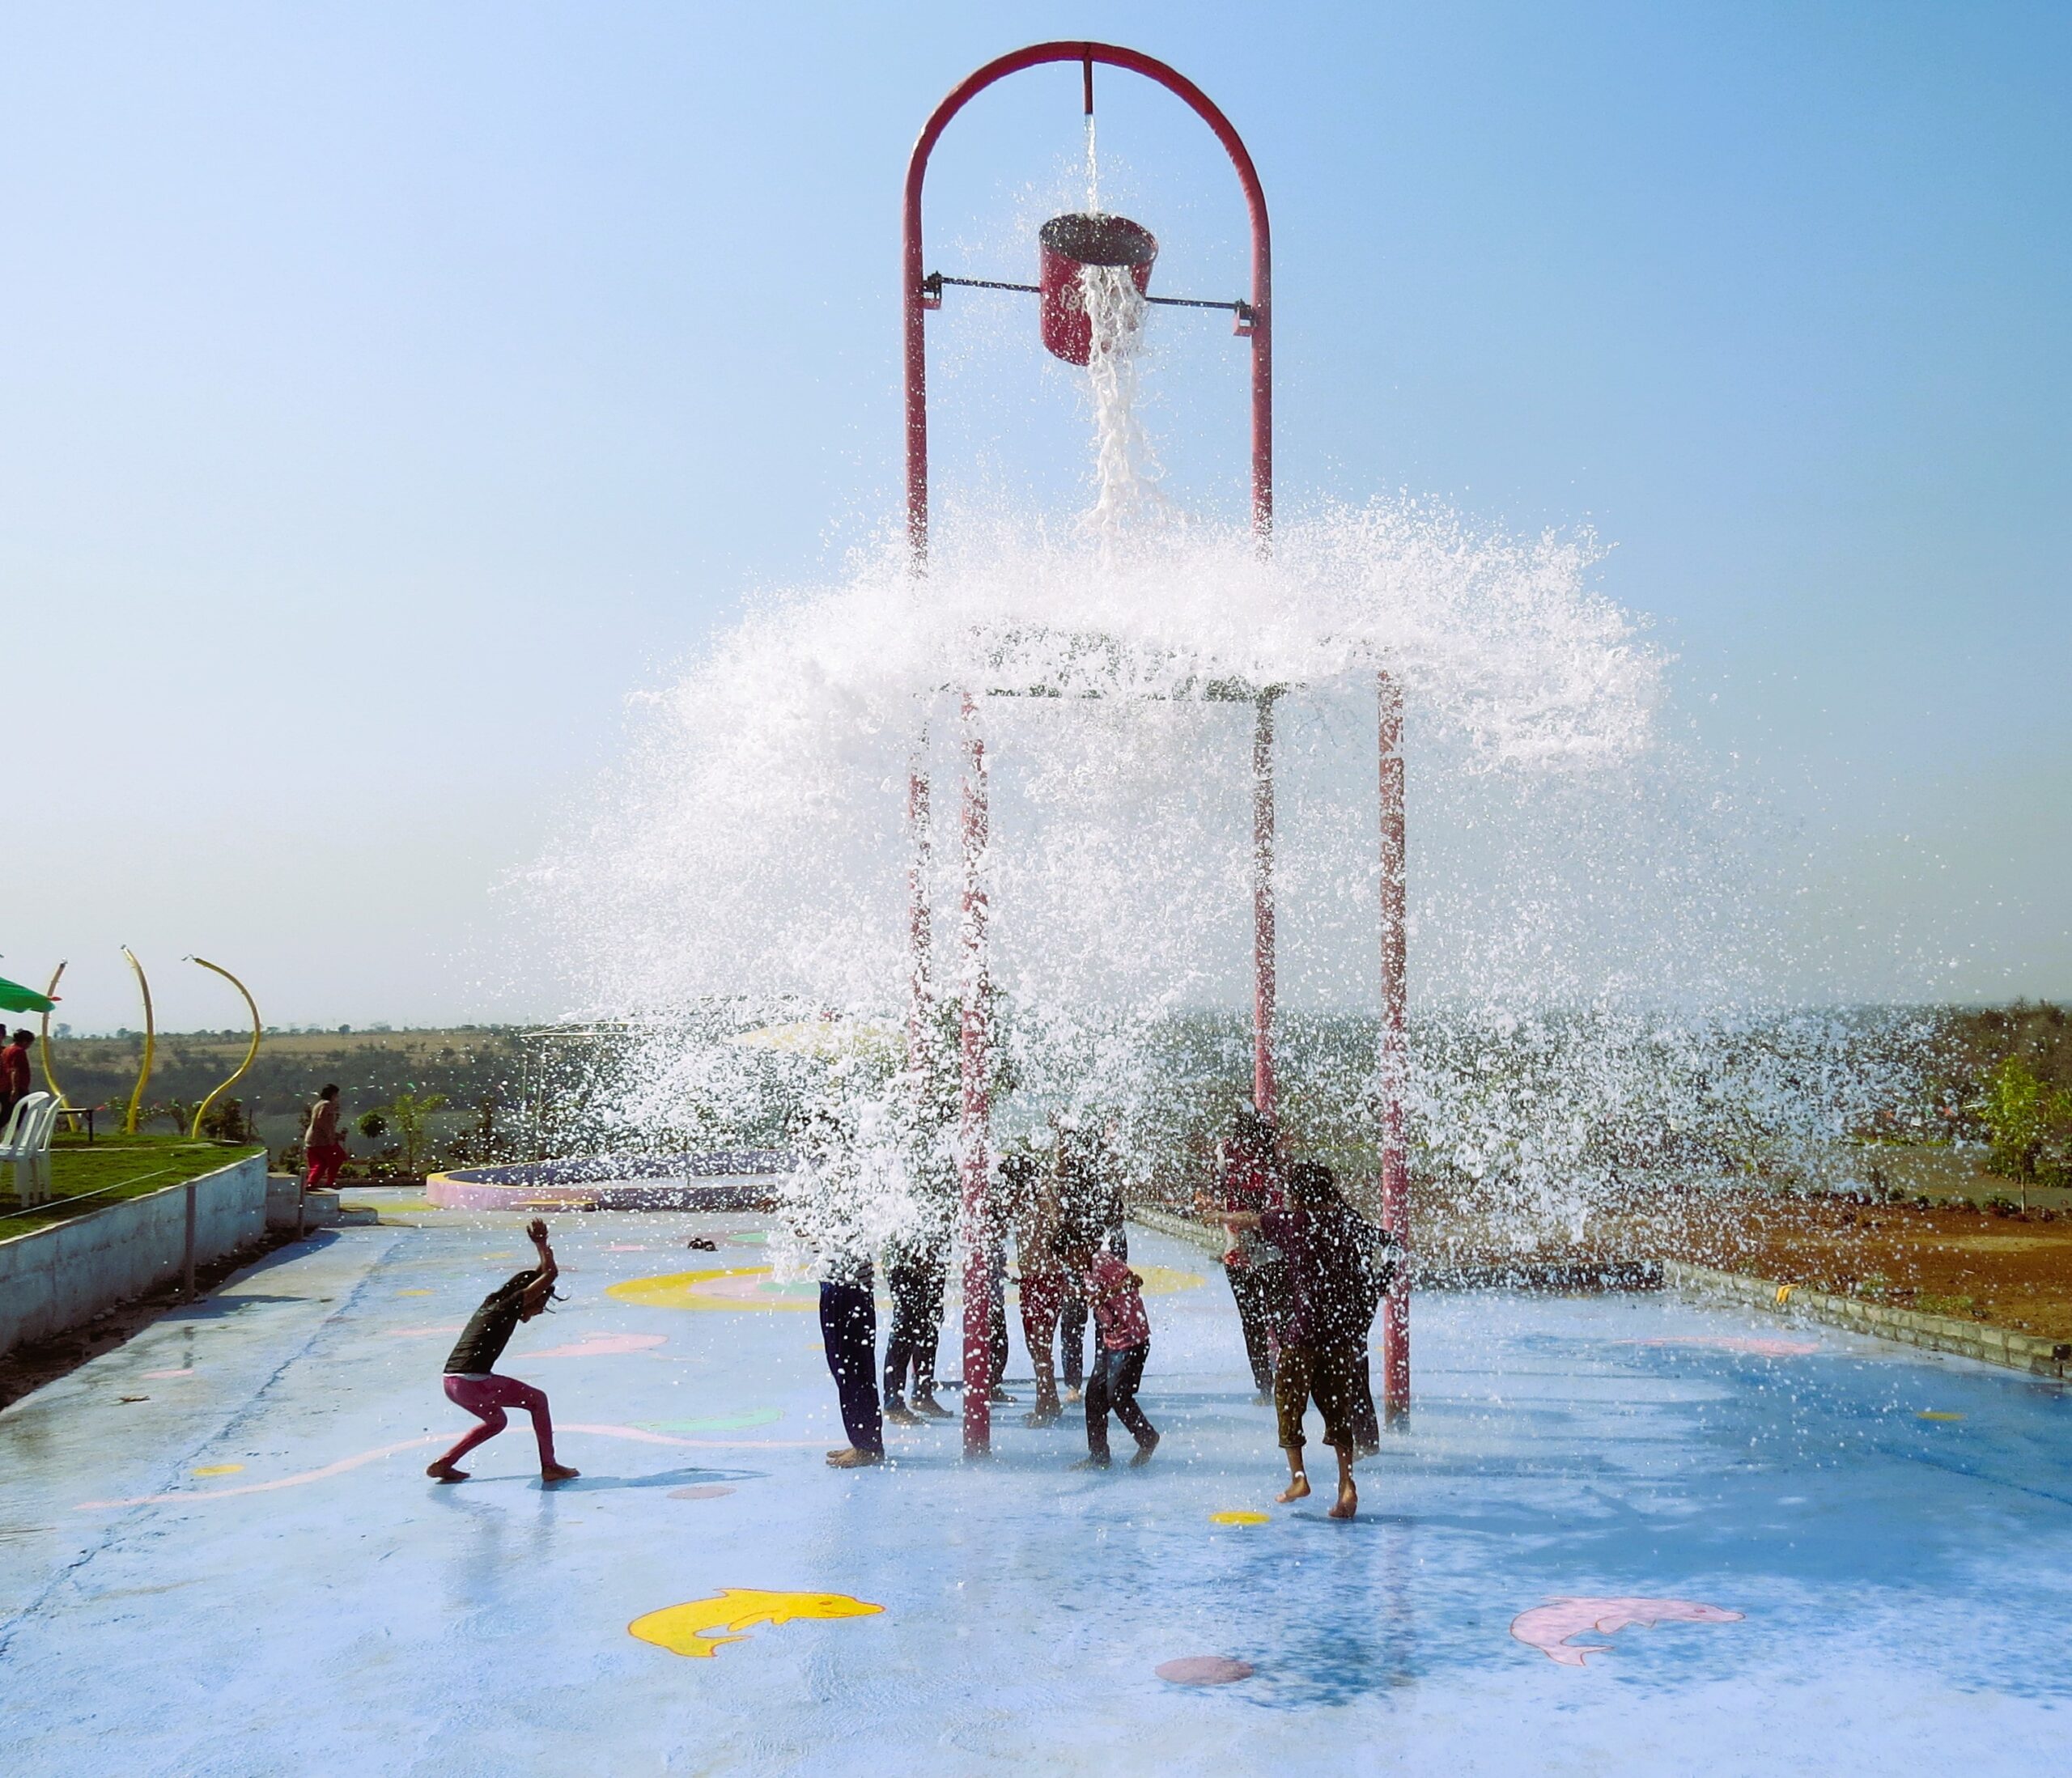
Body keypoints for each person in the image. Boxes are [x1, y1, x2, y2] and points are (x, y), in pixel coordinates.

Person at [1223, 1161, 1378, 1521]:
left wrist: (1218, 1214)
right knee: (1338, 1410)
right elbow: (1377, 1241)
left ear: (1296, 1195)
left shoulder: (1291, 1224)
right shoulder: (1346, 1224)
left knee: (1288, 1404)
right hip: (1340, 1335)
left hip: (1302, 1334)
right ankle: (1347, 1485)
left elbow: (1252, 1219)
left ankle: (1299, 1479)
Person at [427, 1219, 580, 1484]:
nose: (541, 1308)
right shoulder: (506, 1307)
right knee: (538, 1401)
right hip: (473, 1382)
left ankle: (445, 1463)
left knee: (496, 1422)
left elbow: (541, 1275)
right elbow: (549, 1275)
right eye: (541, 1301)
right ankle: (550, 1466)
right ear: (529, 1297)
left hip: (451, 1383)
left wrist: (543, 1255)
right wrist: (542, 1244)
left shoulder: (493, 1305)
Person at [1207, 1105, 1284, 1403]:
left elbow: (1217, 1188)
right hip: (1273, 1250)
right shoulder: (1270, 1158)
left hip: (1237, 1251)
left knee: (1252, 1321)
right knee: (1281, 1317)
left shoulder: (1226, 1151)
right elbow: (1276, 1207)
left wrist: (1224, 1211)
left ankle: (1265, 1387)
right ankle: (1290, 1381)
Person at [1063, 1232, 1159, 1470]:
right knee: (1094, 1397)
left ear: (1082, 1247)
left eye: (1069, 1255)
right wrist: (1083, 1295)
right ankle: (1099, 1456)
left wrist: (1105, 1293)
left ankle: (1147, 1438)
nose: (1068, 1262)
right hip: (1112, 1340)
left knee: (1118, 1396)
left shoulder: (1102, 1260)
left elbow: (1134, 1280)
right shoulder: (1086, 1270)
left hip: (1131, 1339)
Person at [1009, 1136, 1069, 1428]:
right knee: (1036, 1346)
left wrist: (1058, 1140)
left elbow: (1057, 1177)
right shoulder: (1022, 1203)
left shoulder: (1043, 1198)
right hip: (1033, 1282)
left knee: (1041, 1345)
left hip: (1046, 1280)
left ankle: (1044, 1405)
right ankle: (1049, 1401)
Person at [882, 1224, 953, 1425]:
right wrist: (919, 1257)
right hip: (905, 1262)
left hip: (932, 1260)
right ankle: (893, 1403)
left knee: (929, 1329)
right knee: (905, 1331)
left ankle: (923, 1394)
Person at [304, 1084, 348, 1190]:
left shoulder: (319, 1104)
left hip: (312, 1140)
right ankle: (330, 1181)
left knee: (320, 1164)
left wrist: (335, 1134)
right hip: (322, 1141)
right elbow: (322, 1120)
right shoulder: (327, 1104)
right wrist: (330, 1136)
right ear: (333, 1095)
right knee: (338, 1156)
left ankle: (311, 1183)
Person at [0, 1029, 35, 1124]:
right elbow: (15, 1070)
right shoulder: (18, 1051)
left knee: (7, 1114)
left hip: (4, 1087)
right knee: (20, 1115)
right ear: (24, 1041)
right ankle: (22, 1136)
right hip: (16, 1088)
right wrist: (14, 1089)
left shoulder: (7, 1050)